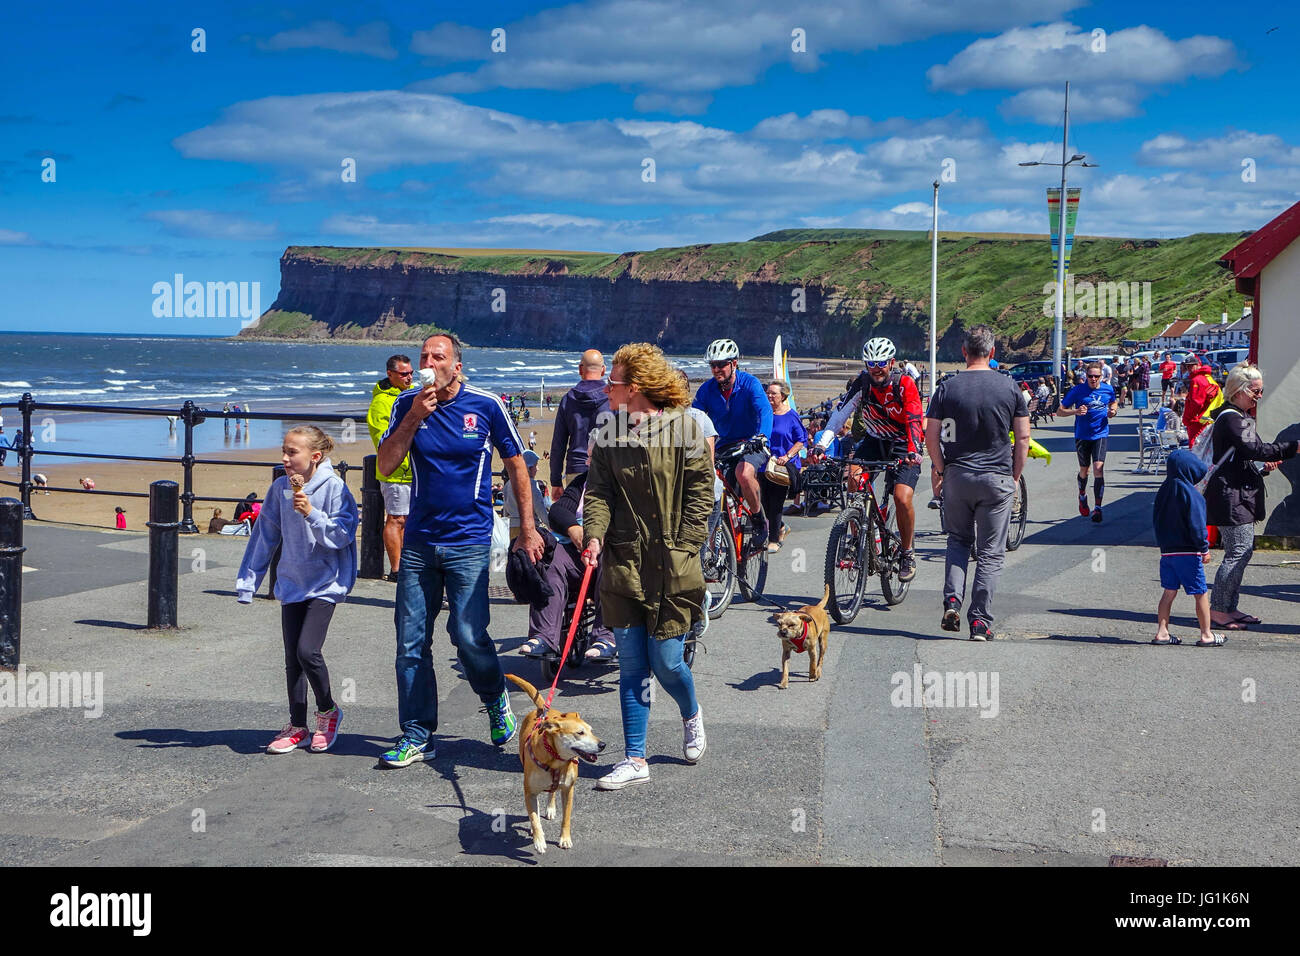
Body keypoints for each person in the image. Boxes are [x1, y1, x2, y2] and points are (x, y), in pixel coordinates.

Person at [376, 332, 543, 767]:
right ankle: (417, 734)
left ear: (457, 366)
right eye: (424, 356)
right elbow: (385, 465)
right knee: (410, 643)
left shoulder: (486, 405)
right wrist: (413, 417)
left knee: (468, 636)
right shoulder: (405, 405)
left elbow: (517, 466)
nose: (429, 362)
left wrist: (527, 528)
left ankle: (494, 700)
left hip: (469, 539)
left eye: (438, 356)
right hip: (419, 542)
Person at [583, 343, 712, 790]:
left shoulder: (685, 428)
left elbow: (701, 492)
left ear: (633, 388)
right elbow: (599, 493)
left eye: (612, 382)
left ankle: (690, 712)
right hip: (624, 563)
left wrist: (687, 545)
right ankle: (635, 758)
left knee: (667, 662)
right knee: (633, 664)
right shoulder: (608, 433)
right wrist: (594, 536)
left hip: (673, 562)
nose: (605, 387)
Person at [236, 426, 358, 753]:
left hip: (326, 582)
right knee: (293, 658)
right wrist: (249, 581)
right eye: (284, 451)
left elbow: (343, 534)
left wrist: (311, 513)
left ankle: (328, 711)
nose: (285, 458)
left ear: (315, 456)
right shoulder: (280, 489)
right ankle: (298, 725)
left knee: (308, 651)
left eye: (293, 452)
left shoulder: (334, 488)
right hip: (292, 581)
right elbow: (265, 535)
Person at [924, 325, 1029, 641]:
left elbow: (931, 435)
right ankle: (980, 622)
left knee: (958, 540)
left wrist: (942, 469)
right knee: (990, 553)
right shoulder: (1010, 388)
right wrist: (1013, 474)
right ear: (993, 352)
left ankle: (952, 601)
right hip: (997, 478)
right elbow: (1023, 438)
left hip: (958, 476)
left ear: (963, 351)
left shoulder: (947, 388)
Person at [815, 337, 924, 581]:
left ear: (891, 362)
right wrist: (821, 445)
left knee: (901, 496)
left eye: (881, 363)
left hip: (904, 444)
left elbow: (915, 420)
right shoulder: (862, 382)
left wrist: (914, 450)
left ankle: (907, 553)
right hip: (875, 440)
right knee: (853, 477)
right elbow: (840, 415)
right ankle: (858, 536)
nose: (876, 367)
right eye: (871, 362)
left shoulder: (904, 384)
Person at [1205, 365, 1298, 631]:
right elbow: (1255, 448)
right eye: (1256, 391)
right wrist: (1294, 447)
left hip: (1234, 492)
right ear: (1240, 390)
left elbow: (1245, 454)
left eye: (1261, 391)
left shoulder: (1234, 416)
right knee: (1237, 552)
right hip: (1230, 495)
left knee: (1242, 552)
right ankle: (1218, 610)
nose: (1259, 396)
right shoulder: (1234, 418)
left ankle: (1228, 606)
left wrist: (1260, 466)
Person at [519, 470, 616, 660]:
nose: (593, 462)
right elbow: (558, 511)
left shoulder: (631, 481)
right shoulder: (583, 481)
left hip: (610, 554)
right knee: (550, 560)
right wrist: (574, 530)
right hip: (578, 553)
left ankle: (605, 637)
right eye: (590, 457)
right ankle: (544, 636)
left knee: (612, 560)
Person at [693, 338, 773, 547]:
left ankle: (758, 519)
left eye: (721, 364)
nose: (717, 369)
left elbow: (765, 410)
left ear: (734, 364)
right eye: (713, 365)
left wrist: (762, 436)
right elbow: (694, 418)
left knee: (744, 473)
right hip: (723, 446)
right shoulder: (706, 390)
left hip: (752, 442)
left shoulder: (750, 384)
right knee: (709, 484)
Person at [1151, 449, 1220, 646]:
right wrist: (1204, 548)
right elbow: (1197, 525)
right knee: (1200, 593)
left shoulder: (1164, 490)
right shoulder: (1191, 493)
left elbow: (1156, 520)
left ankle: (1162, 632)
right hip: (1188, 551)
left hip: (1168, 551)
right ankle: (1207, 635)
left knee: (1169, 592)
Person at [367, 354, 415, 580]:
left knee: (412, 520)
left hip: (416, 469)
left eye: (411, 373)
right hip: (396, 471)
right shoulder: (381, 403)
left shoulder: (413, 394)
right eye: (404, 374)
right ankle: (397, 569)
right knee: (396, 518)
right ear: (390, 374)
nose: (409, 377)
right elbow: (383, 439)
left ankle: (410, 565)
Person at [549, 350, 611, 500]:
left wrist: (556, 481)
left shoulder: (567, 400)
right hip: (606, 469)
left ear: (580, 369)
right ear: (603, 370)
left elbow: (558, 444)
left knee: (576, 519)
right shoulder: (612, 398)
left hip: (575, 469)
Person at [1060, 362, 1118, 523]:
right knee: (1084, 471)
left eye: (1096, 376)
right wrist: (1076, 411)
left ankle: (1098, 508)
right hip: (1082, 435)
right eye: (1090, 376)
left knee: (1098, 468)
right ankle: (1082, 494)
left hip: (1100, 434)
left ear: (1102, 376)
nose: (1093, 379)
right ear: (1086, 376)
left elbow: (1113, 402)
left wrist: (1113, 410)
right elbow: (1059, 411)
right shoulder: (1078, 391)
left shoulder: (1107, 389)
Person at [761, 381, 808, 553]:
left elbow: (801, 440)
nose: (770, 396)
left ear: (783, 396)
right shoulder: (765, 413)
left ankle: (773, 540)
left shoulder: (791, 415)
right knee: (764, 502)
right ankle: (780, 527)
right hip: (763, 464)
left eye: (773, 393)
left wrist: (787, 456)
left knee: (776, 503)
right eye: (768, 393)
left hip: (781, 466)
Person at [502, 449, 550, 541]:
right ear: (529, 468)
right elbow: (539, 508)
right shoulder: (532, 485)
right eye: (536, 466)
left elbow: (505, 509)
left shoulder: (508, 484)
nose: (537, 469)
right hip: (530, 528)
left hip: (512, 528)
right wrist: (549, 525)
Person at [1182, 354, 1222, 447]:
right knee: (1203, 448)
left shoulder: (1196, 380)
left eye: (1191, 365)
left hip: (1196, 421)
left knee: (1194, 447)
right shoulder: (1207, 377)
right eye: (1187, 366)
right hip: (1206, 418)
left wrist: (1189, 418)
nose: (1189, 368)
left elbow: (1197, 402)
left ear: (1197, 365)